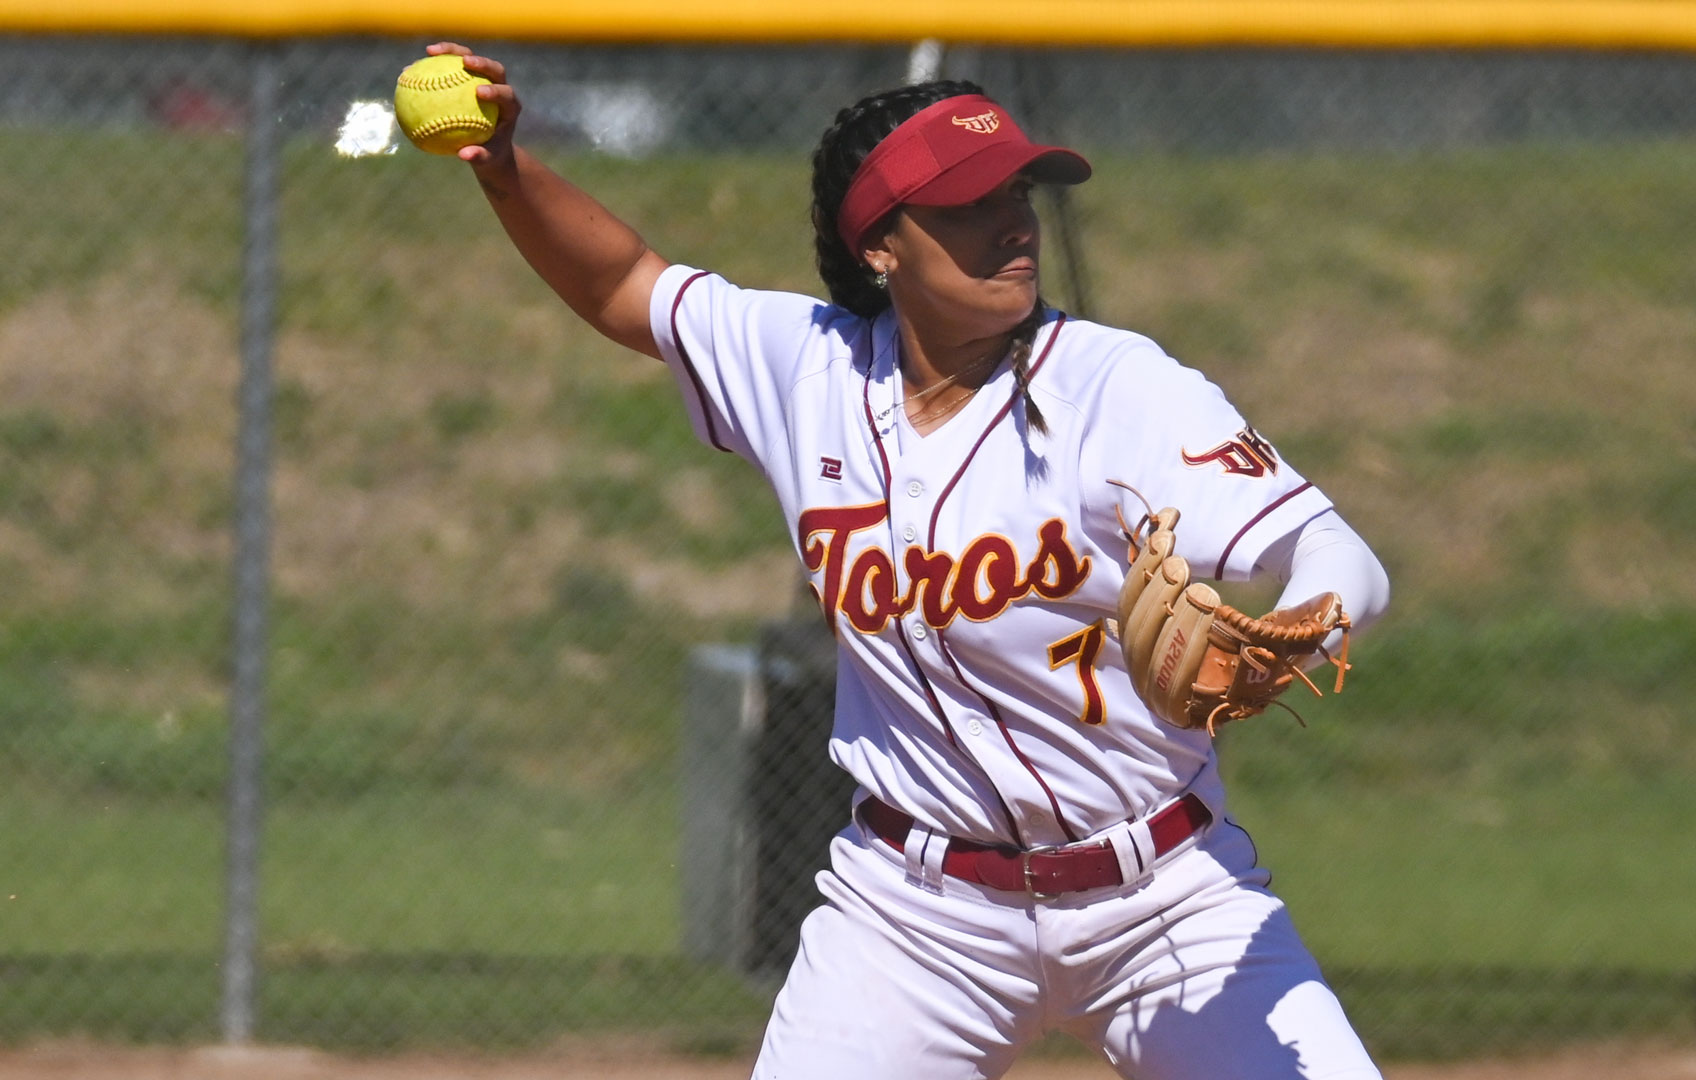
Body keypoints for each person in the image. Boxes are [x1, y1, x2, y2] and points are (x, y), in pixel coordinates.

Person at [428, 41, 1391, 1080]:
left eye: (1018, 189)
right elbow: (625, 282)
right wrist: (504, 166)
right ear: (883, 244)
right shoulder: (809, 368)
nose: (1014, 220)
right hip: (917, 920)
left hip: (1165, 904)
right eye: (971, 202)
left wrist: (1302, 631)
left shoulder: (1120, 387)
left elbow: (1337, 552)